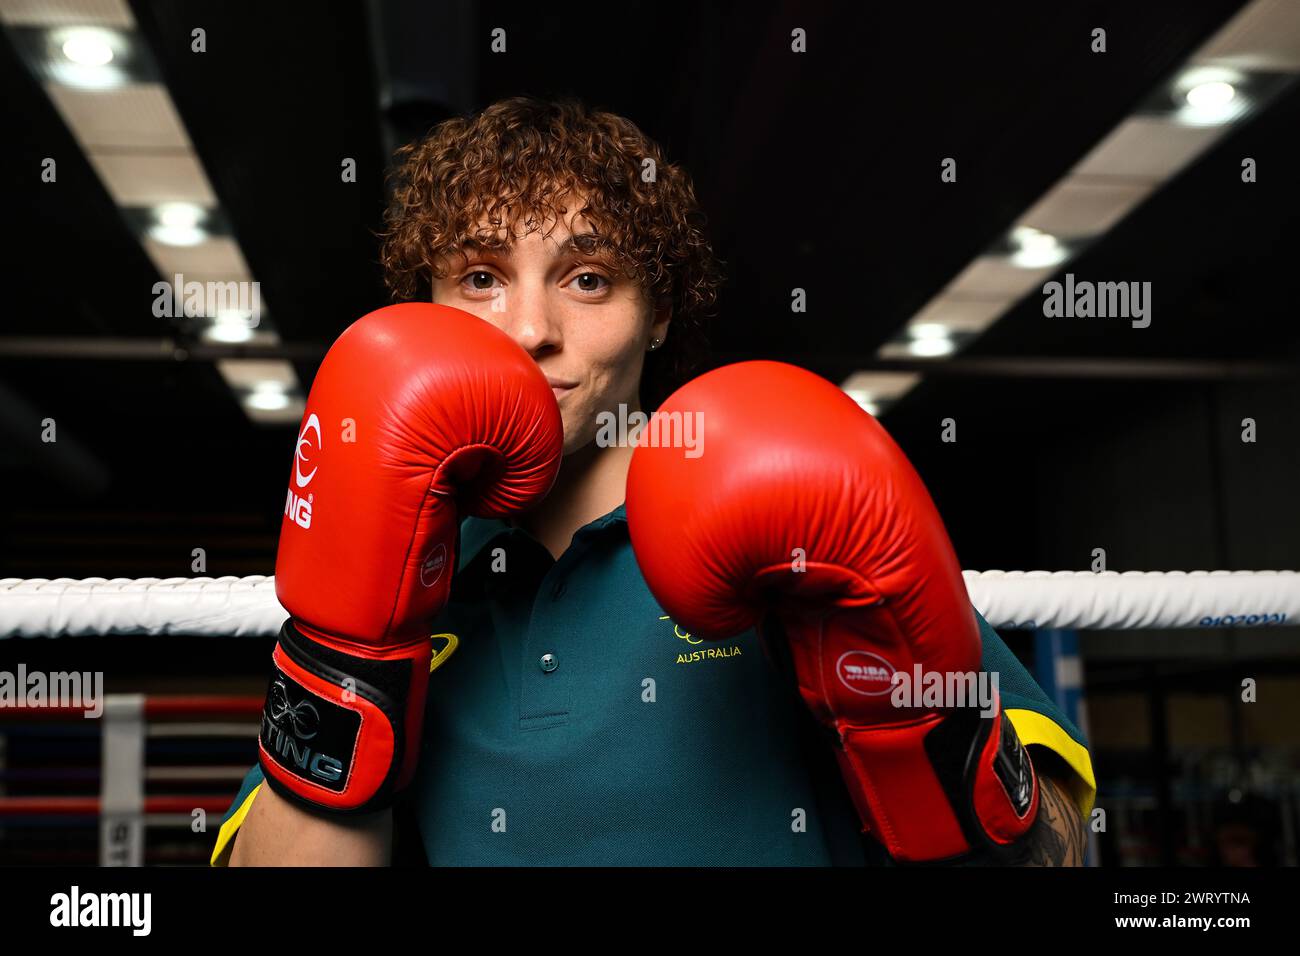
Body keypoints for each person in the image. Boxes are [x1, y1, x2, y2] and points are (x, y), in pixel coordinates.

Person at [213, 96, 1095, 866]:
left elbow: (1051, 854)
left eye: (588, 279)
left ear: (659, 311)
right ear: (426, 308)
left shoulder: (788, 508)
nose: (529, 328)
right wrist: (352, 649)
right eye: (480, 278)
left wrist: (912, 721)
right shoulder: (400, 556)